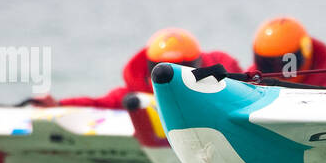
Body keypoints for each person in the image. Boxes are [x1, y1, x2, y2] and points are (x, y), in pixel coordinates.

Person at [57, 28, 241, 109]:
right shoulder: (139, 93)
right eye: (166, 68)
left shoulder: (220, 70)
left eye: (182, 67)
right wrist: (58, 105)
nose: (173, 74)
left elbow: (247, 87)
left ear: (198, 64)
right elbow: (100, 103)